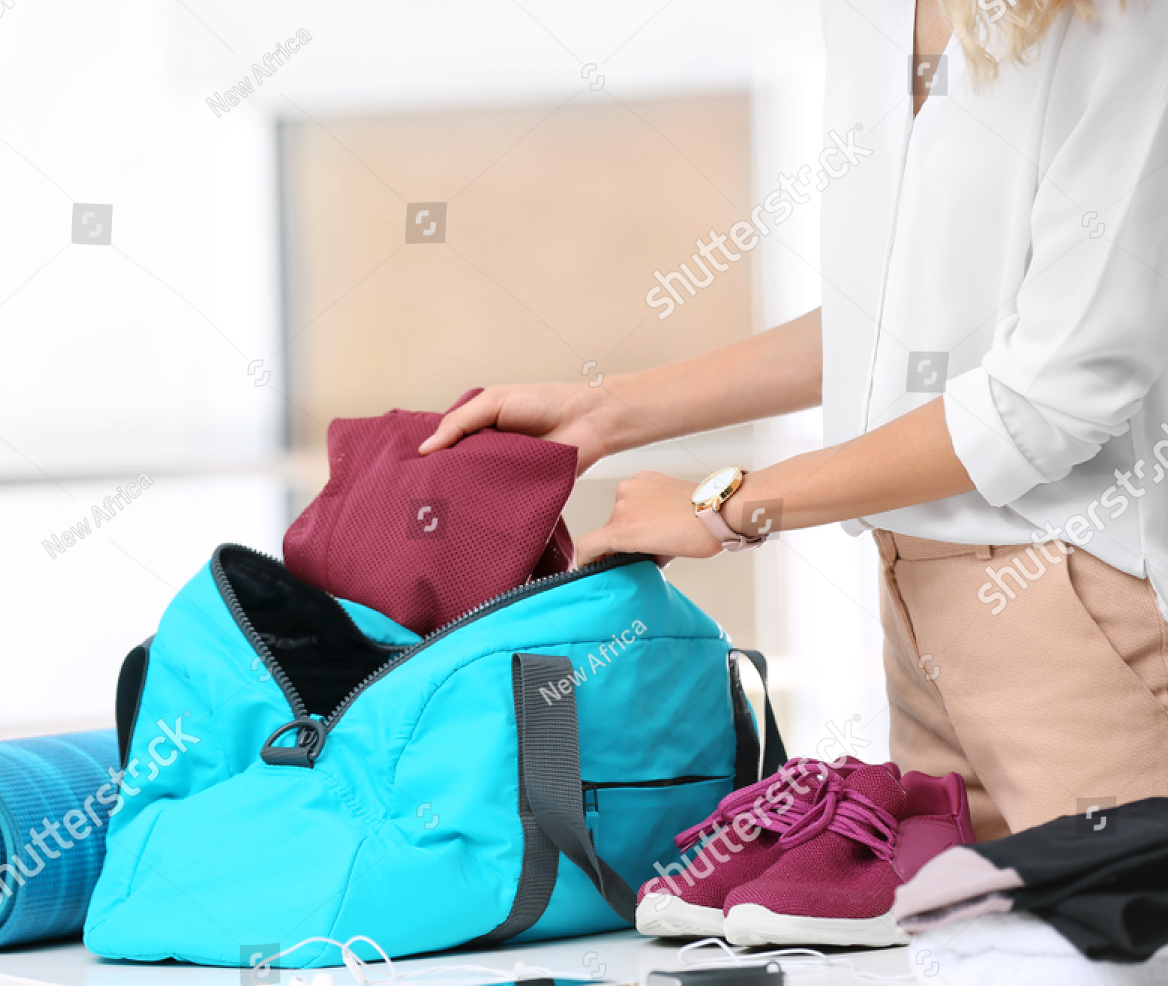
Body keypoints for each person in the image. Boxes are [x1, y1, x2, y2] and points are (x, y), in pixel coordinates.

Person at [419, 0, 1168, 841]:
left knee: (1112, 959)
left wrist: (725, 503)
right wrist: (606, 411)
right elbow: (894, 325)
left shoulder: (1130, 26)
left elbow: (1050, 394)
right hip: (912, 602)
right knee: (957, 962)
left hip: (1072, 608)